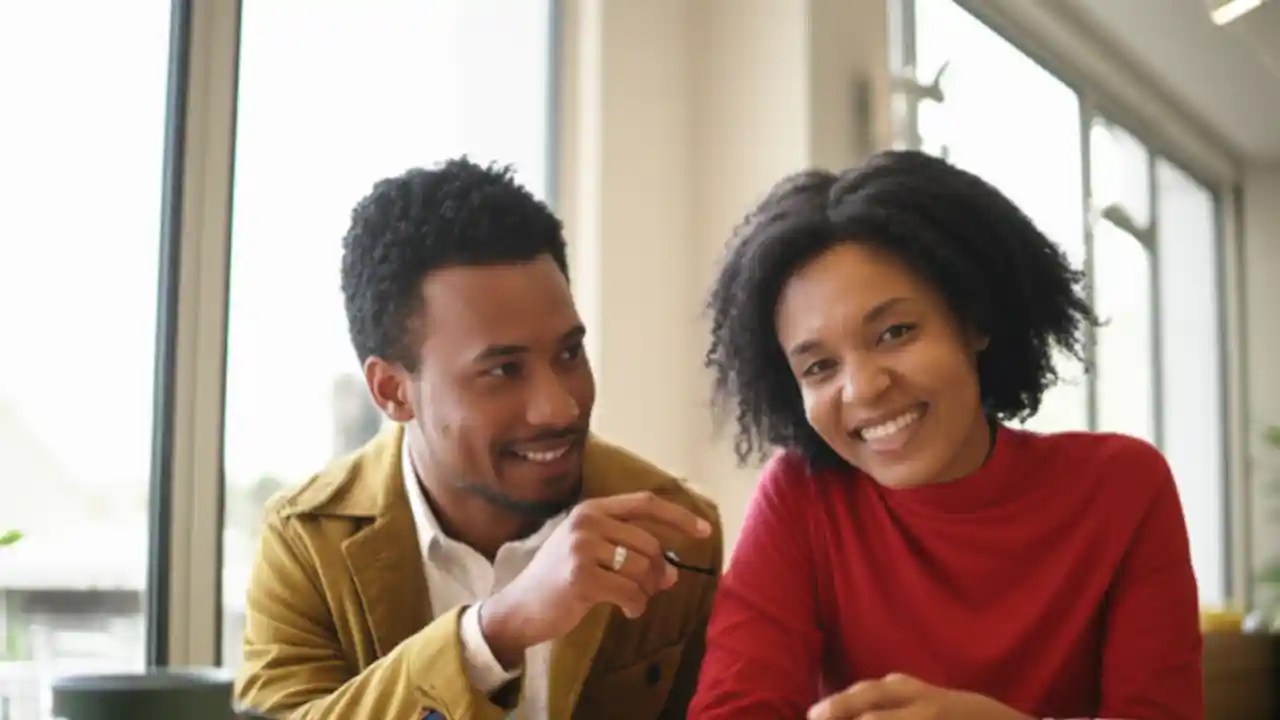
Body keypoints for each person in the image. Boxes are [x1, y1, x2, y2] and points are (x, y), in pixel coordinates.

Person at [687, 150, 1202, 720]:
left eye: (894, 332)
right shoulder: (803, 496)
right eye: (818, 367)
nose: (862, 387)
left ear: (974, 320)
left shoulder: (1121, 486)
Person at [234, 158, 722, 719]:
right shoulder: (308, 543)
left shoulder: (676, 532)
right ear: (392, 390)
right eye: (502, 370)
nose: (559, 406)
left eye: (568, 353)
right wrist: (493, 635)